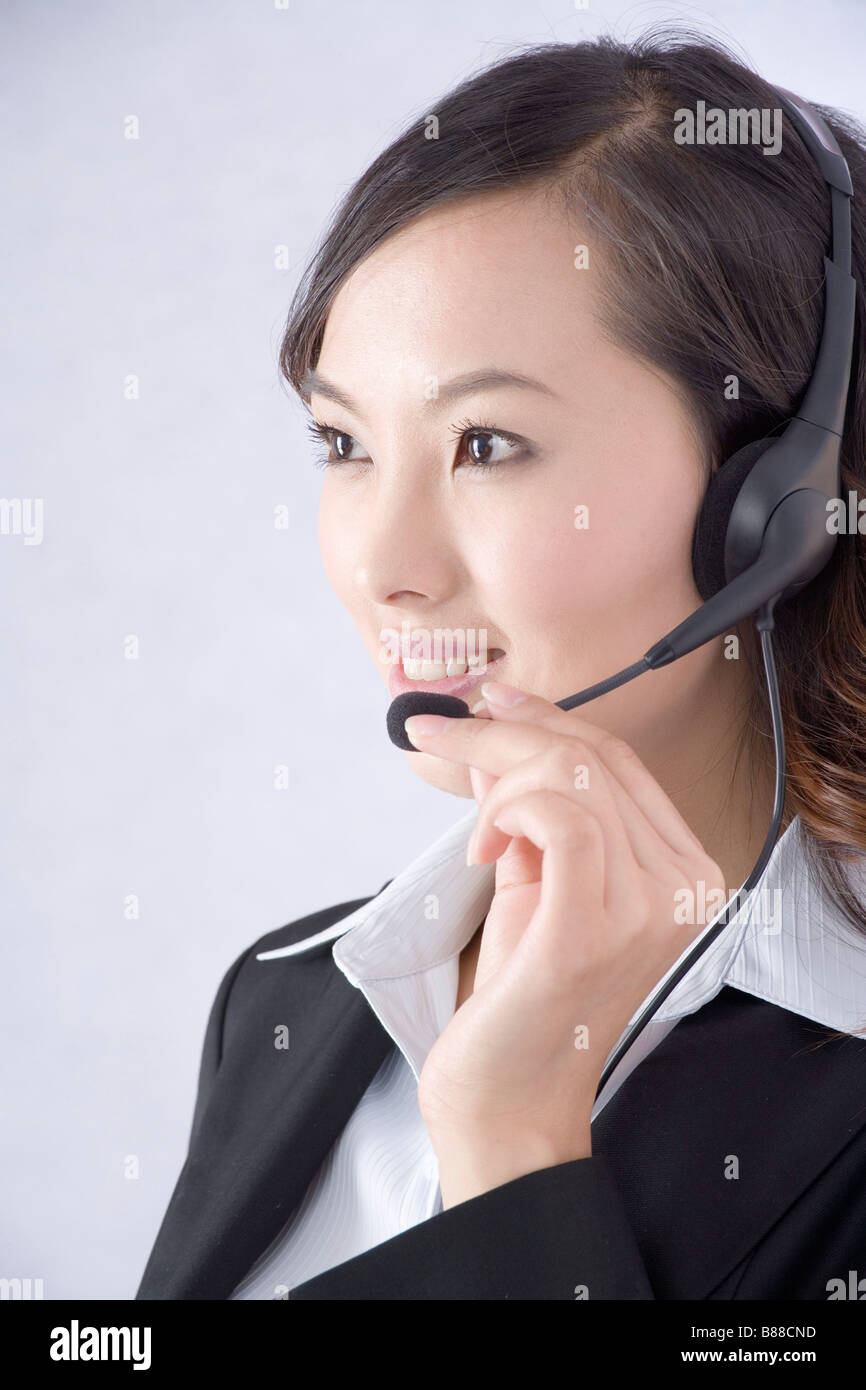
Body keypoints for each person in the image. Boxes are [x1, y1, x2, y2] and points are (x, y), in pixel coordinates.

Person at [136, 29, 866, 1301]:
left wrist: (513, 1140)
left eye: (485, 443)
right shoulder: (285, 995)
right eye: (342, 441)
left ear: (772, 502)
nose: (384, 566)